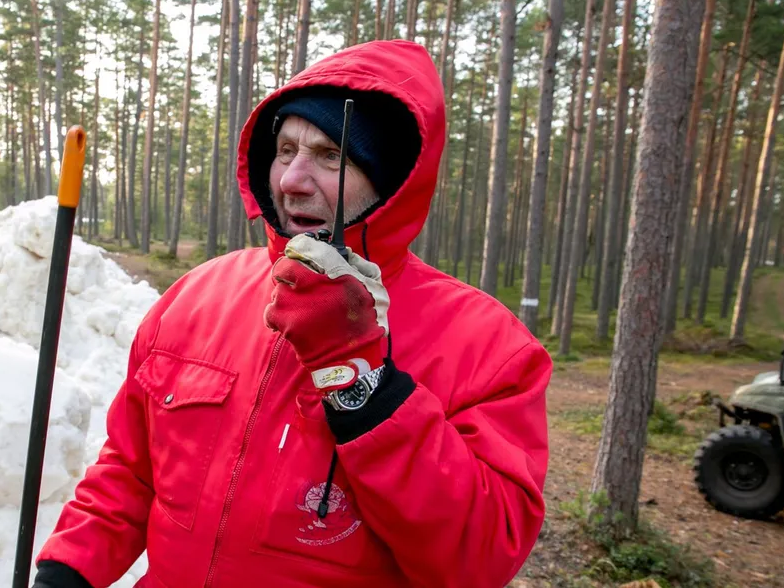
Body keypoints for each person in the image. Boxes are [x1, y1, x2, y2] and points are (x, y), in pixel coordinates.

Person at [32, 39, 551, 588]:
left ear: (392, 180)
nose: (292, 180)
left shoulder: (488, 347)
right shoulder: (197, 296)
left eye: (332, 155)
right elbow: (129, 473)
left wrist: (360, 377)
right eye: (285, 149)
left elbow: (480, 556)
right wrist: (65, 573)